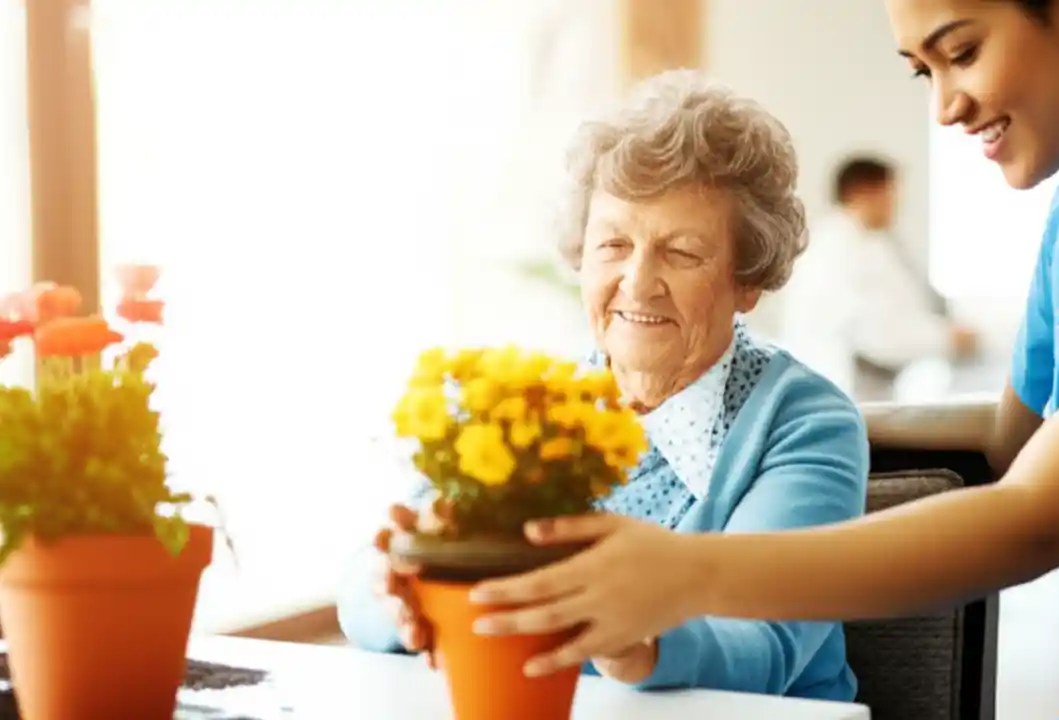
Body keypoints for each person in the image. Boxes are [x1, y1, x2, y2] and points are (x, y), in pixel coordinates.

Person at [459, 2, 1059, 717]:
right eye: (922, 70)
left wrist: (685, 569)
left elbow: (1040, 518)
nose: (946, 108)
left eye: (961, 52)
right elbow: (1013, 436)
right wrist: (795, 419)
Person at [337, 69, 868, 702]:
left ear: (747, 279)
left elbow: (763, 647)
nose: (638, 283)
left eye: (682, 252)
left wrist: (631, 640)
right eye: (613, 244)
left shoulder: (802, 421)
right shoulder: (527, 407)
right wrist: (407, 596)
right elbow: (364, 584)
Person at [785, 156, 979, 397]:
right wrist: (947, 338)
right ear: (865, 192)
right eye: (891, 193)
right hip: (846, 385)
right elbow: (876, 330)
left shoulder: (867, 242)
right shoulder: (840, 248)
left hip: (866, 387)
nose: (896, 204)